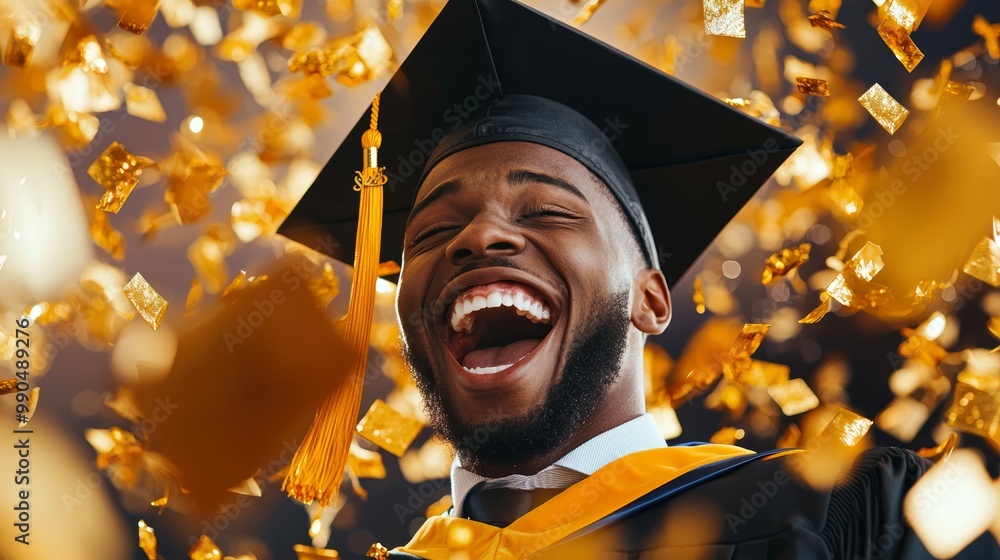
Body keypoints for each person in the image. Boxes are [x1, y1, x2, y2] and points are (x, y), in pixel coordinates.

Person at [279, 0, 1000, 557]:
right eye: (432, 232)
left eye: (546, 212)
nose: (479, 237)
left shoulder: (836, 513)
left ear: (651, 301)